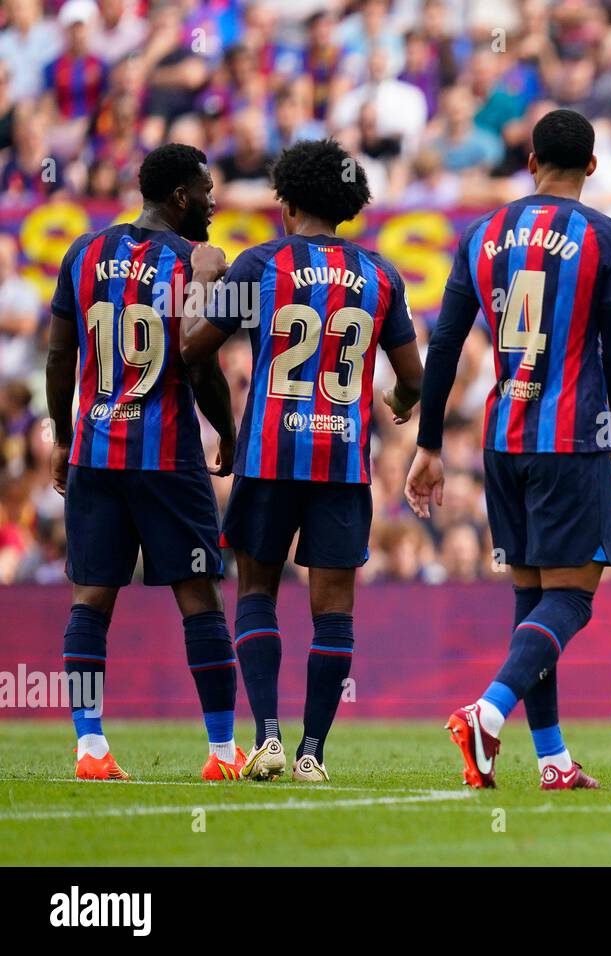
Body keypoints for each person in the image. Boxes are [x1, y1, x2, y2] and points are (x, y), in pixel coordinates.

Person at [405, 108, 611, 790]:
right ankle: (487, 711)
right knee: (572, 601)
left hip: (501, 439)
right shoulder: (607, 236)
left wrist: (427, 445)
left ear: (530, 159)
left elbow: (443, 346)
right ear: (592, 168)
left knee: (533, 598)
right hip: (571, 438)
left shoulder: (480, 233)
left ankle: (553, 759)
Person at [180, 139, 425, 783]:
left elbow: (194, 348)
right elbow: (413, 379)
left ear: (285, 202)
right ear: (348, 207)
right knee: (334, 607)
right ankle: (313, 752)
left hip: (267, 454)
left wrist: (205, 279)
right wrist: (397, 399)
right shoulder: (381, 274)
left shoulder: (260, 263)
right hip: (341, 464)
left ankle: (266, 738)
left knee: (256, 590)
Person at [46, 143, 239, 781]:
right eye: (206, 188)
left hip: (95, 453)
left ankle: (90, 748)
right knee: (199, 597)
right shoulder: (195, 261)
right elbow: (199, 360)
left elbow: (58, 356)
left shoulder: (82, 252)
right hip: (166, 458)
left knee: (91, 598)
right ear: (181, 196)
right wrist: (229, 430)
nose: (213, 199)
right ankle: (220, 752)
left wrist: (60, 437)